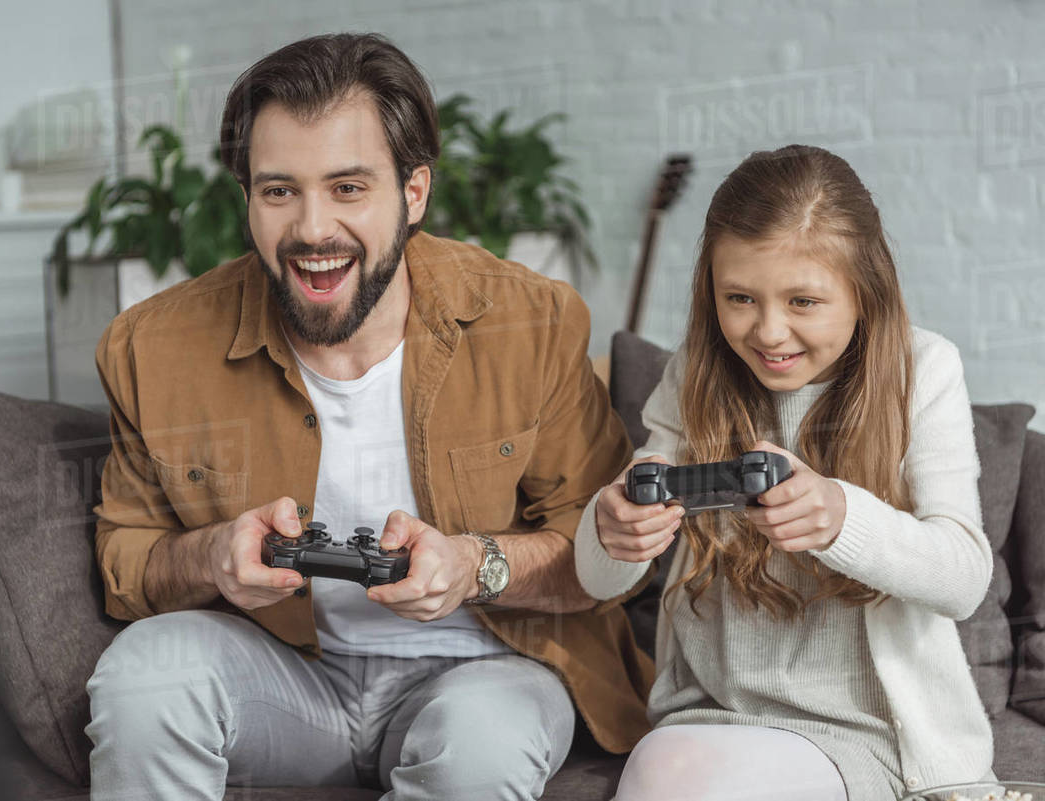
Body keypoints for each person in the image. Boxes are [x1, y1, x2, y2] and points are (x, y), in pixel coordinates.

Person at [84, 32, 652, 801]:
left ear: (413, 193)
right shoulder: (152, 346)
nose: (313, 230)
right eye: (279, 190)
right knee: (144, 676)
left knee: (483, 745)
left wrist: (471, 565)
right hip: (285, 677)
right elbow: (126, 559)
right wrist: (210, 555)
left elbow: (604, 558)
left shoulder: (533, 320)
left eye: (348, 188)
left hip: (485, 670)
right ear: (247, 195)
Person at [575, 144, 995, 800]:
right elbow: (601, 578)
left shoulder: (923, 370)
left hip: (868, 737)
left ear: (865, 289)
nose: (769, 332)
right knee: (668, 772)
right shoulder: (694, 373)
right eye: (739, 297)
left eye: (803, 301)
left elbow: (964, 577)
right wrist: (612, 532)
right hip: (711, 716)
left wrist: (842, 516)